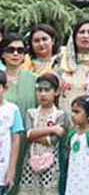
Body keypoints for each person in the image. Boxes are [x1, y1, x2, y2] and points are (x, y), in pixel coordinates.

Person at [19, 73, 66, 195]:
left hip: (51, 163)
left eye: (47, 90)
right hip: (30, 161)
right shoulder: (31, 113)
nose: (43, 94)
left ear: (56, 92)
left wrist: (35, 134)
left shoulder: (60, 115)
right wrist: (52, 129)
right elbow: (28, 134)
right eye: (39, 90)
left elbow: (51, 141)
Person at [1, 33, 36, 194]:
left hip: (28, 141)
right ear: (2, 53)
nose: (16, 54)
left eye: (20, 50)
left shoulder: (33, 79)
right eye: (11, 49)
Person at [65, 95, 89, 195]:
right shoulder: (72, 134)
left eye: (77, 112)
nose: (73, 115)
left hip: (88, 180)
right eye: (72, 111)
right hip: (73, 179)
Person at [0, 70, 25, 195]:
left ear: (5, 88)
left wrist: (11, 170)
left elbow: (15, 141)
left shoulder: (12, 109)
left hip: (2, 169)